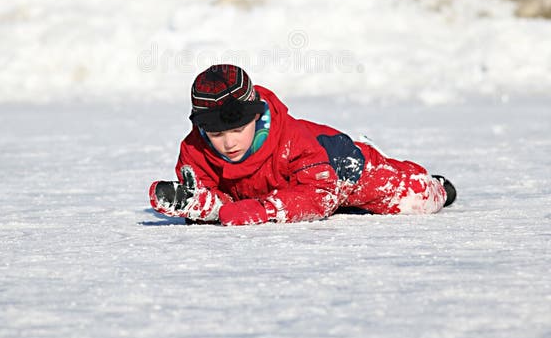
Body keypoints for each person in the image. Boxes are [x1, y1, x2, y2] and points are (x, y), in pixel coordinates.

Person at [149, 64, 456, 227]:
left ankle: (438, 185)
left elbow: (320, 197)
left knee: (415, 200)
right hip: (286, 189)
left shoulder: (292, 140)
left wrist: (264, 210)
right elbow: (220, 204)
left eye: (238, 129)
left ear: (256, 116)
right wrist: (203, 206)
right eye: (216, 134)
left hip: (339, 168)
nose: (229, 143)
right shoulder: (195, 150)